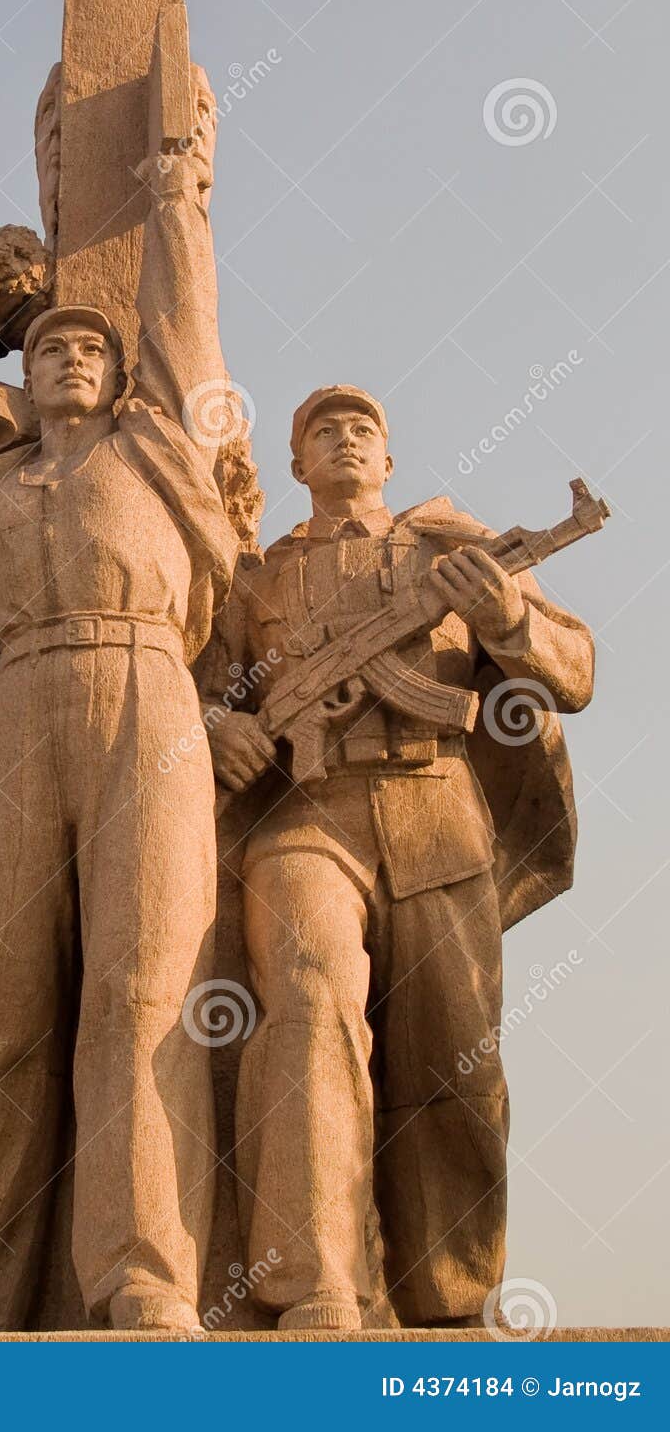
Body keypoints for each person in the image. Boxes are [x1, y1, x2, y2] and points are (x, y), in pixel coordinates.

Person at [0, 116, 238, 1332]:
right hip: (20, 717)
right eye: (45, 355)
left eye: (88, 349)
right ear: (25, 384)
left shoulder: (163, 456)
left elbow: (188, 343)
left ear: (114, 371)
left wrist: (179, 200)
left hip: (150, 696)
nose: (67, 361)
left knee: (145, 991)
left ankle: (144, 1274)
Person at [202, 385, 595, 1329]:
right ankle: (316, 1284)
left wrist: (505, 620)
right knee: (305, 1012)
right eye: (322, 431)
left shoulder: (456, 548)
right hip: (305, 817)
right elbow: (198, 685)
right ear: (297, 466)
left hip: (435, 809)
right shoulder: (251, 579)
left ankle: (447, 1301)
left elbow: (576, 670)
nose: (344, 440)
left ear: (387, 459)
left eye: (362, 430)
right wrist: (220, 726)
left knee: (455, 1060)